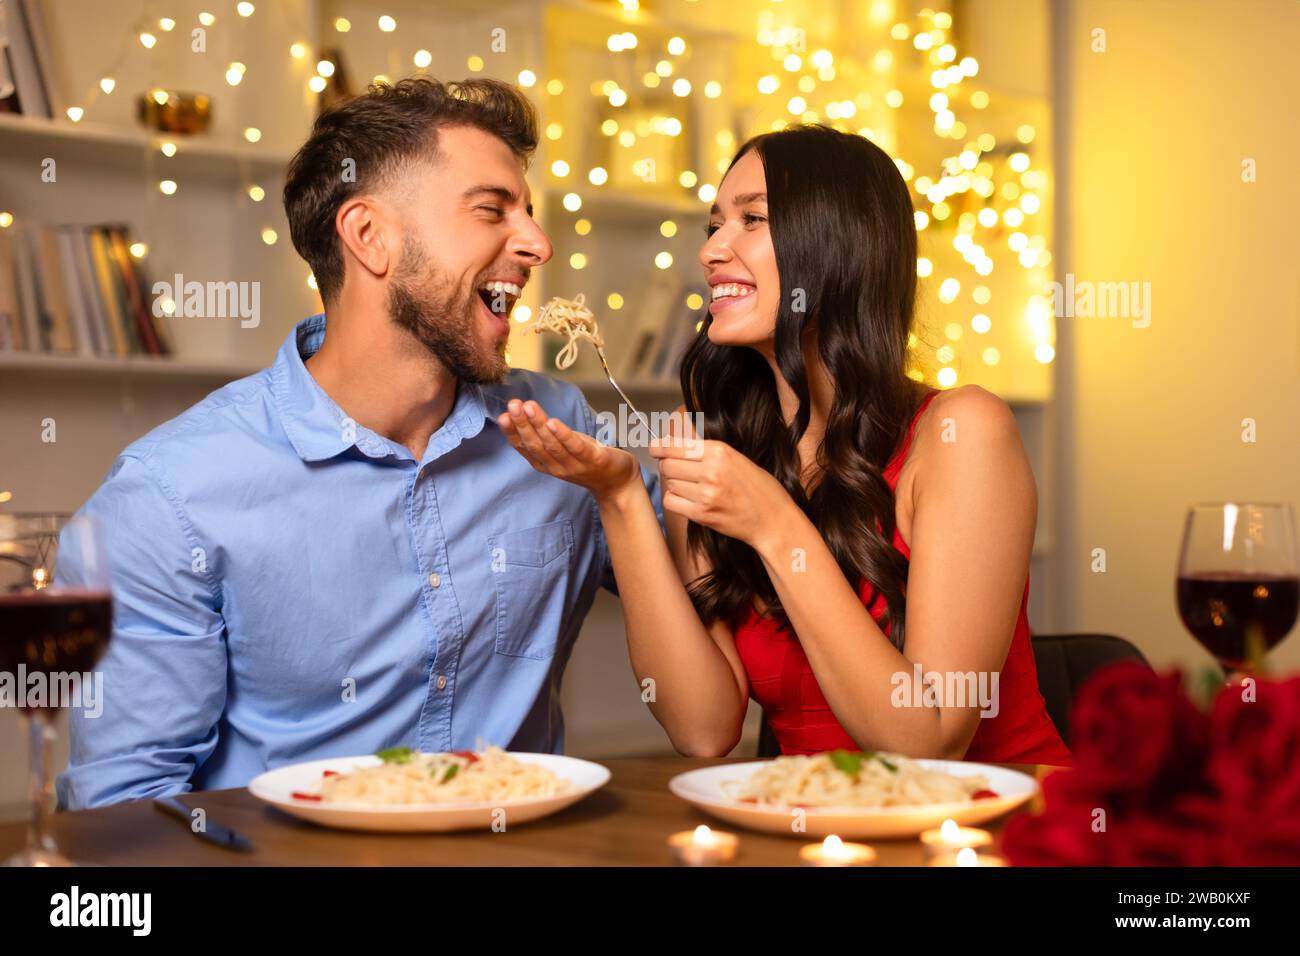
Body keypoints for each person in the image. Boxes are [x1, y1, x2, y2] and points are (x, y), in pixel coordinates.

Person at [55, 77, 660, 809]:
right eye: (493, 210)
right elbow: (128, 812)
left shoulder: (559, 427)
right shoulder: (170, 494)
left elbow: (719, 592)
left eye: (527, 213)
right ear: (369, 236)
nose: (537, 244)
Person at [498, 124, 1073, 765]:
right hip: (817, 835)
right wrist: (623, 498)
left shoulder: (961, 433)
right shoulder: (716, 443)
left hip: (1000, 834)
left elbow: (928, 740)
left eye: (752, 220)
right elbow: (704, 728)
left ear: (840, 248)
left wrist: (771, 521)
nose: (713, 249)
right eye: (714, 225)